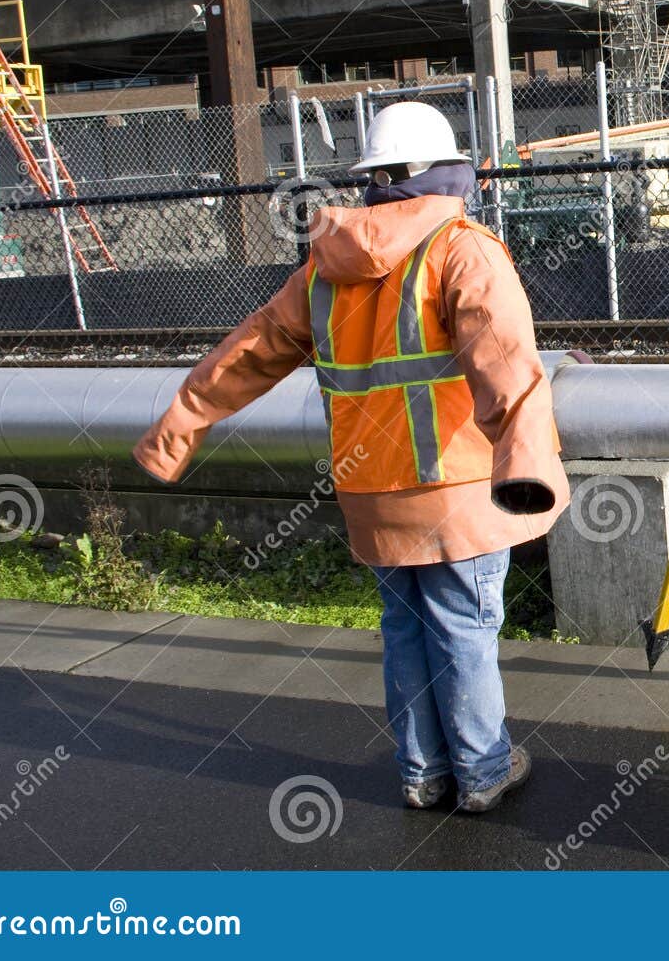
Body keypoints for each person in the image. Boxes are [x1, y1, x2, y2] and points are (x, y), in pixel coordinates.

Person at [133, 101, 569, 813]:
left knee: (405, 629)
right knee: (462, 625)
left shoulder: (326, 270)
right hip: (455, 489)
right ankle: (484, 769)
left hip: (371, 492)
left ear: (377, 178)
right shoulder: (462, 249)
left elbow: (252, 350)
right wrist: (526, 462)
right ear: (446, 171)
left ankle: (423, 771)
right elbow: (507, 362)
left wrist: (181, 421)